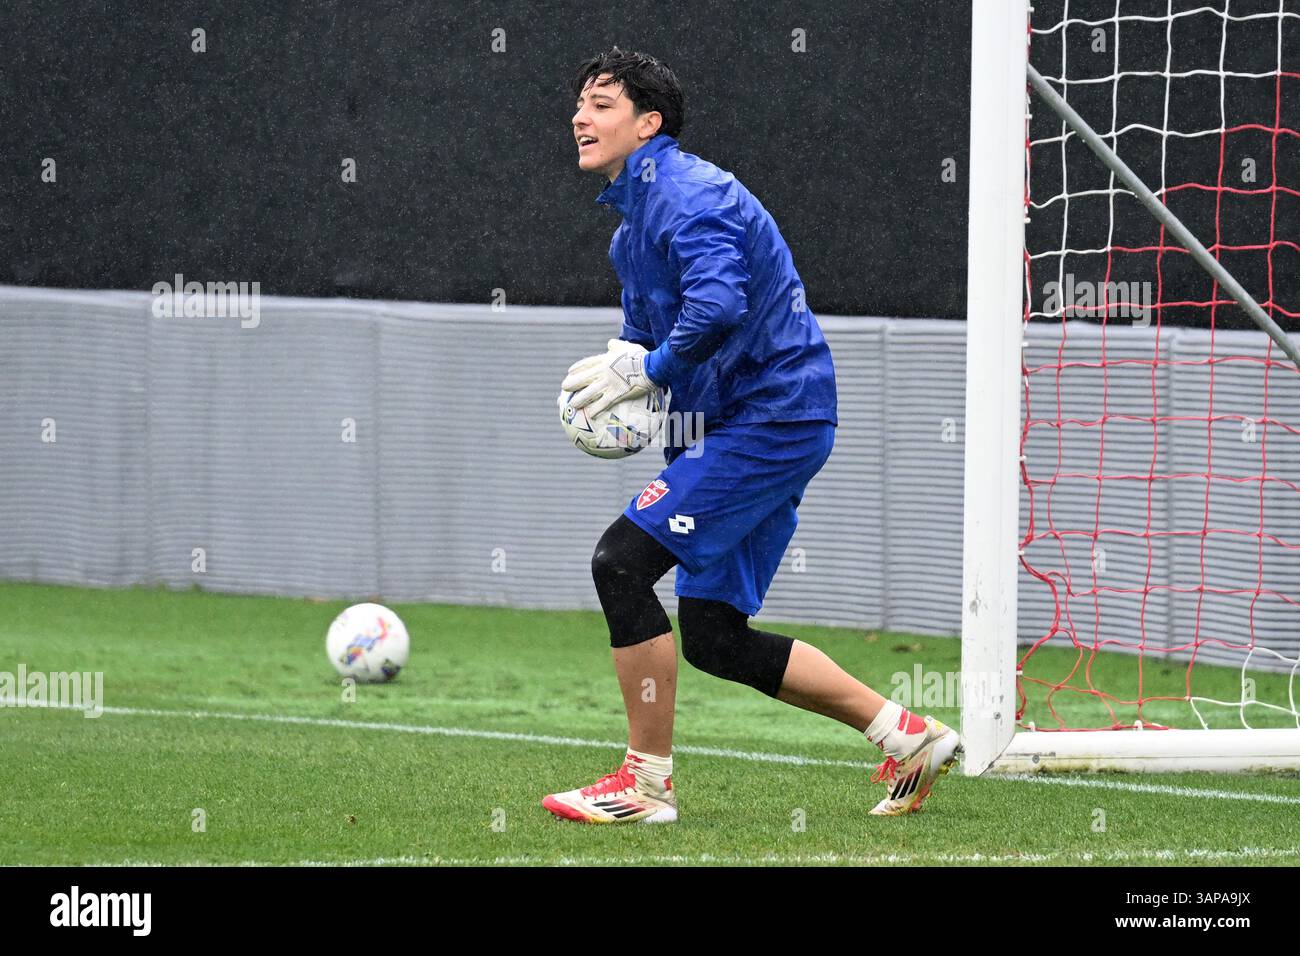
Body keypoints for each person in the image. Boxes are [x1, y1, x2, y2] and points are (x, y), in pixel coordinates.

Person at [544, 47, 960, 823]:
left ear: (649, 122)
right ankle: (905, 734)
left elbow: (719, 310)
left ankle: (645, 786)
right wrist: (628, 388)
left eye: (602, 103)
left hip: (770, 417)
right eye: (579, 103)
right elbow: (648, 352)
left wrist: (653, 368)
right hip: (740, 423)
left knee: (620, 565)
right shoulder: (631, 229)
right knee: (713, 636)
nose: (580, 116)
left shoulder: (688, 194)